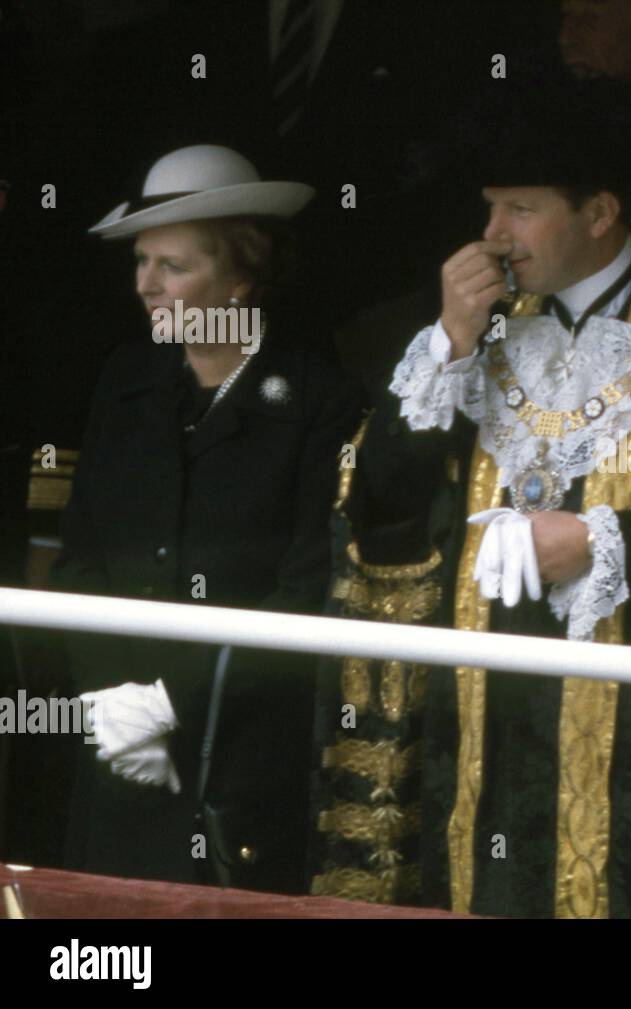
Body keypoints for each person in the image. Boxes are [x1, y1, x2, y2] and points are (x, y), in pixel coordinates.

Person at [310, 93, 631, 918]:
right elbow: (380, 503)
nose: (494, 236)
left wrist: (600, 543)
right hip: (479, 722)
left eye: (521, 209)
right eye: (489, 209)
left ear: (601, 212)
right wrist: (448, 341)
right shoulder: (477, 327)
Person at [53, 145, 359, 893]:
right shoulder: (127, 381)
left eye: (173, 266)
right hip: (115, 741)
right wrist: (109, 701)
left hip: (242, 746)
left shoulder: (319, 398)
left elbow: (305, 587)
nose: (146, 286)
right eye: (140, 262)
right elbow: (79, 559)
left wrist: (167, 702)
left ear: (243, 274)